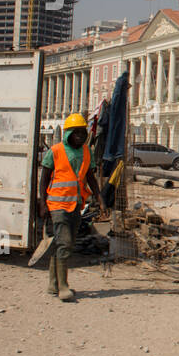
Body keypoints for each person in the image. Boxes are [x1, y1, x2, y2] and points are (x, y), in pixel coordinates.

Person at [37, 113, 104, 302]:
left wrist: (100, 197)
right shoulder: (56, 151)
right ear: (68, 134)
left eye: (83, 133)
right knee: (64, 243)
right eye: (77, 133)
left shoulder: (85, 152)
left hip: (75, 205)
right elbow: (44, 180)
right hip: (57, 205)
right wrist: (43, 203)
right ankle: (63, 286)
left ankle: (53, 283)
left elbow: (90, 177)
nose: (80, 137)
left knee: (63, 243)